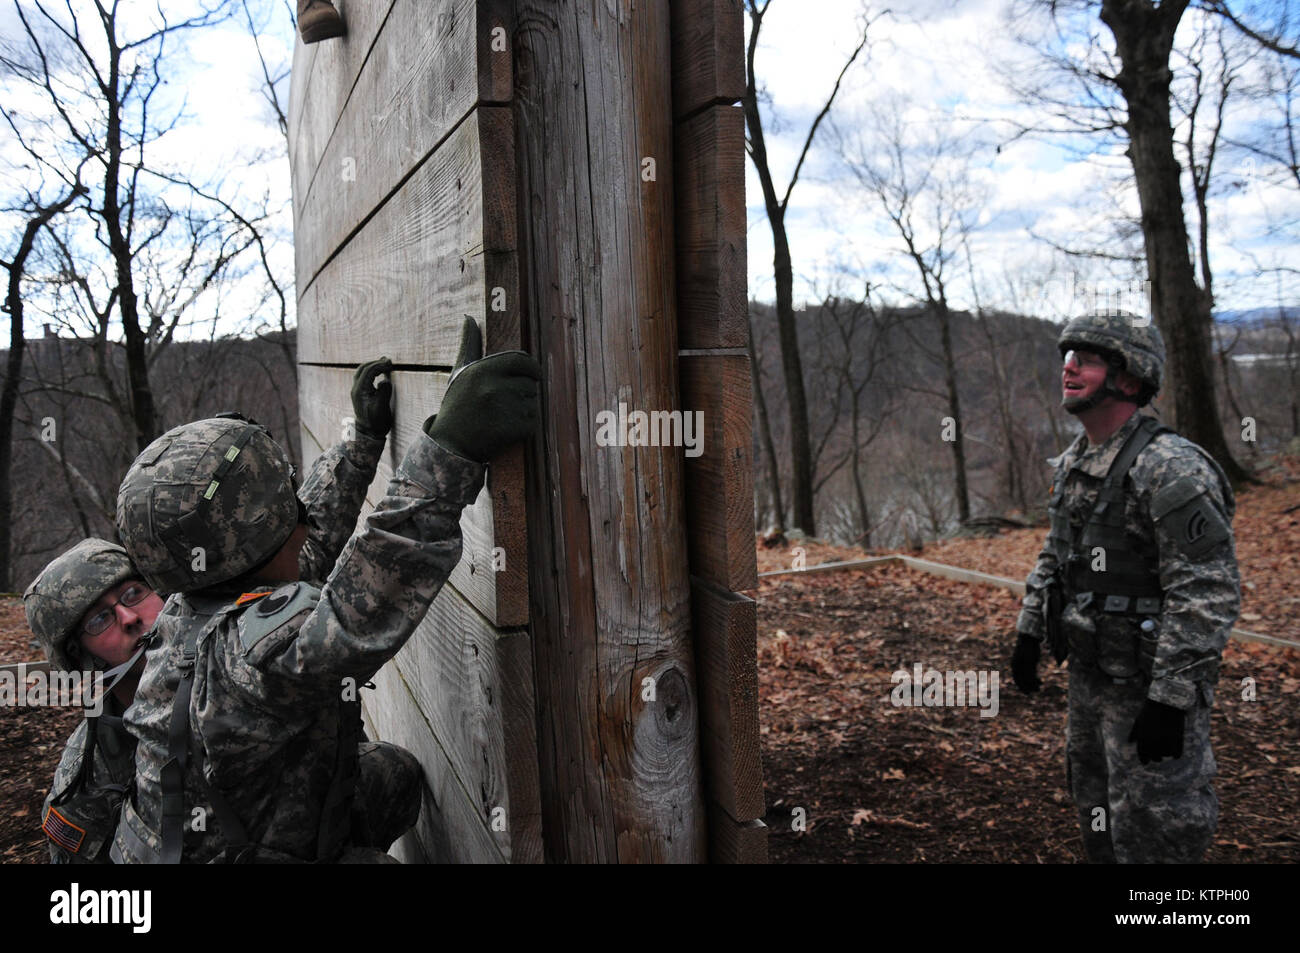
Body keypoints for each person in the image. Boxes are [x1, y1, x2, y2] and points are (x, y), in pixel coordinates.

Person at [111, 321, 539, 863]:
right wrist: (450, 449)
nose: (303, 509)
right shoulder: (255, 653)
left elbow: (308, 546)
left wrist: (363, 442)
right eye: (287, 497)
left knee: (390, 776)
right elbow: (362, 602)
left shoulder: (198, 595)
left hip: (203, 838)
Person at [1010, 311, 1241, 864]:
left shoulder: (1171, 469)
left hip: (1148, 686)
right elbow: (1057, 554)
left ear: (1130, 378)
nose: (1069, 367)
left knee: (1158, 828)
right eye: (1068, 357)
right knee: (1098, 818)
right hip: (1091, 678)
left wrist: (1171, 698)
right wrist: (1029, 629)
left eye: (1087, 359)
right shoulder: (1074, 463)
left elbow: (1208, 589)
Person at [25, 541, 162, 863]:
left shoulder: (243, 663)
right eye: (100, 619)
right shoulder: (88, 781)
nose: (129, 617)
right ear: (81, 656)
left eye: (133, 593)